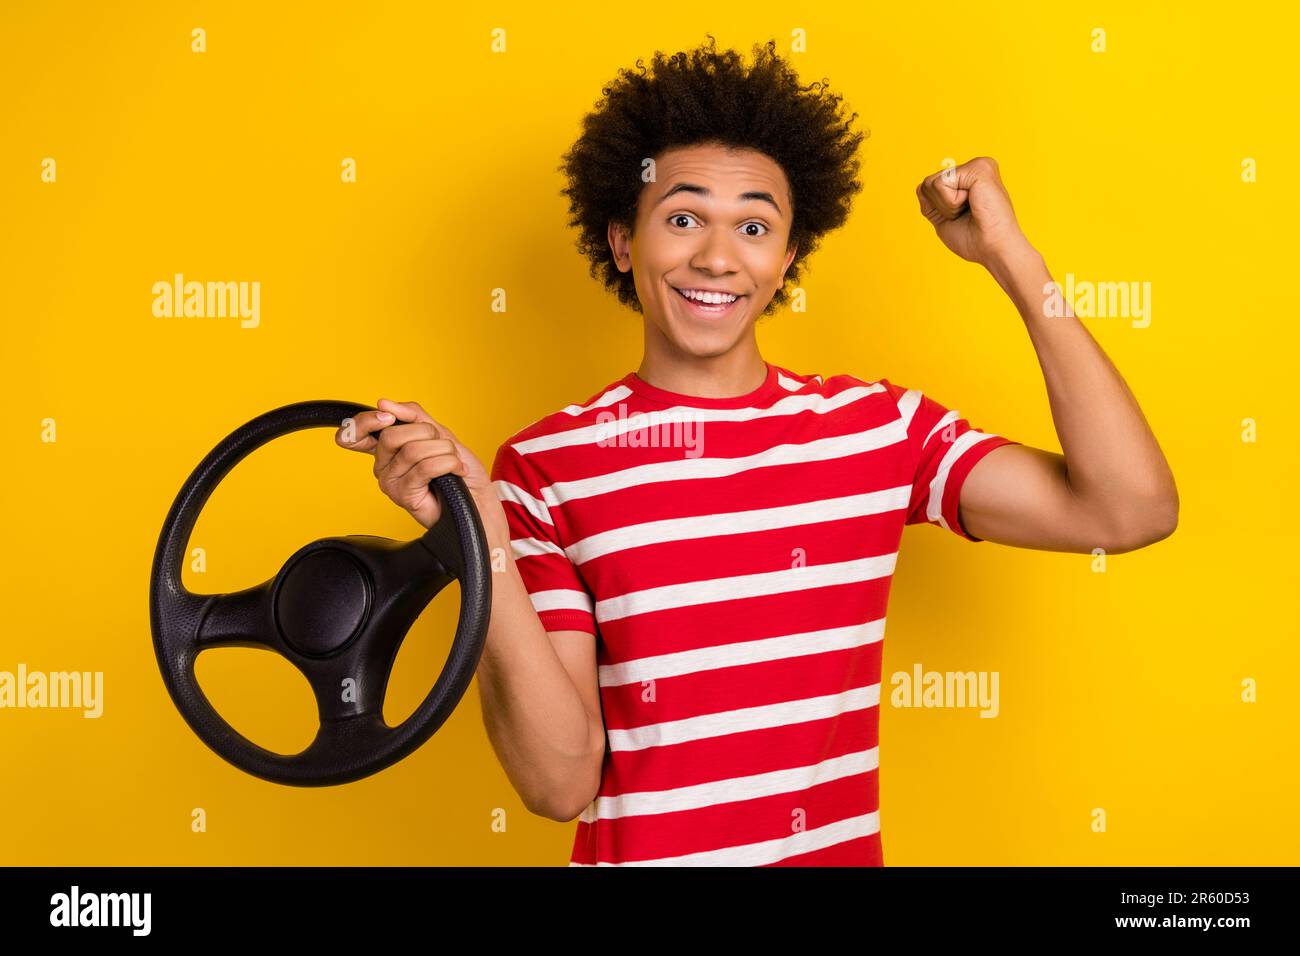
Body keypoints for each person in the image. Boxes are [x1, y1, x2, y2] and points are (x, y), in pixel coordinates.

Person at [335, 36, 1178, 866]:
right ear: (624, 241)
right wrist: (481, 540)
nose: (716, 255)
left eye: (753, 225)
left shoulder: (879, 428)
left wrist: (1013, 259)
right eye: (683, 217)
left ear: (786, 259)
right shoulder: (543, 466)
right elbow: (558, 784)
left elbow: (1129, 508)